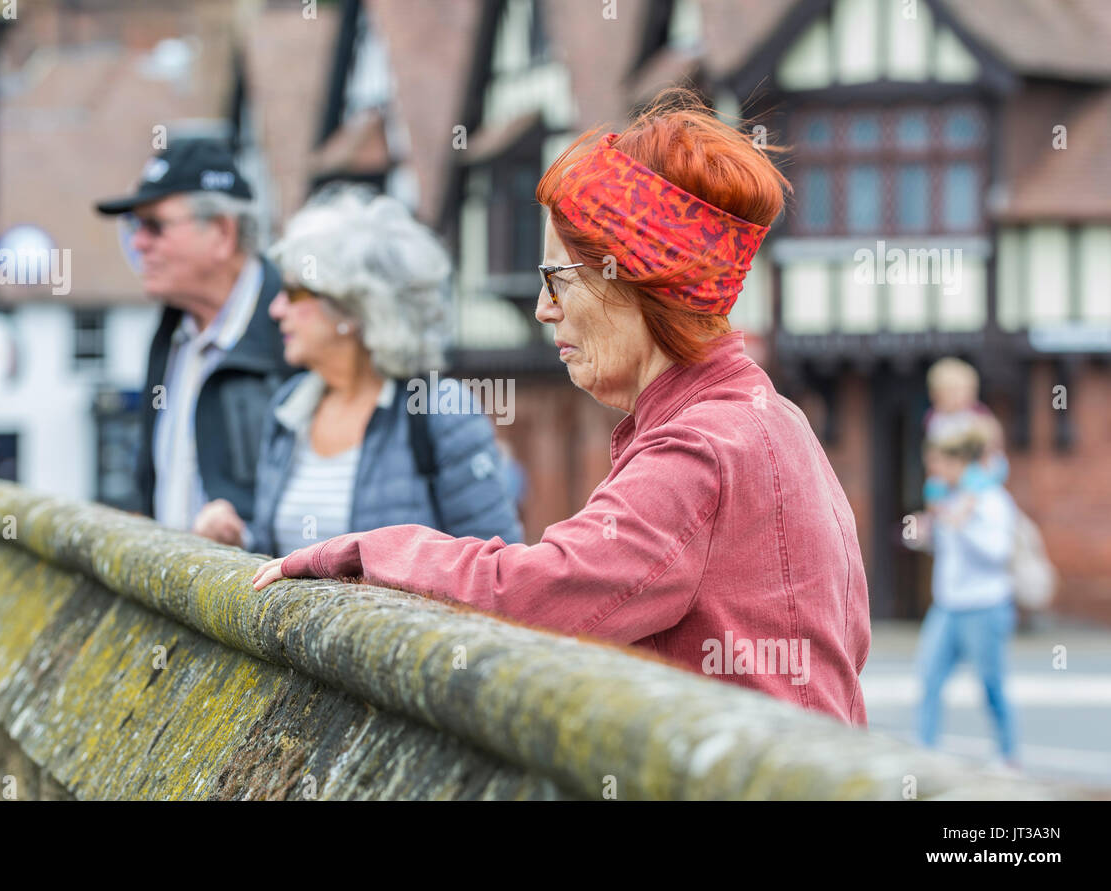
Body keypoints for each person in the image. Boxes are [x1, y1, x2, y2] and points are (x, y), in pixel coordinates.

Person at [255, 91, 871, 726]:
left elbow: (533, 597)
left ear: (633, 279)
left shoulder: (700, 448)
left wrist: (367, 553)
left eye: (558, 278)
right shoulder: (768, 417)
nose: (544, 308)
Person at [218, 185, 522, 556]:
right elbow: (276, 553)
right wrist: (238, 541)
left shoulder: (439, 408)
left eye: (295, 293)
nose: (276, 309)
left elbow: (497, 561)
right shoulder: (289, 409)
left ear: (351, 308)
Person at [94, 139, 295, 544]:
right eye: (135, 226)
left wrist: (247, 540)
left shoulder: (296, 334)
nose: (137, 243)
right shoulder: (169, 334)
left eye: (154, 225)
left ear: (222, 232)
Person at [912, 429, 1019, 767]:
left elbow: (999, 552)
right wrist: (924, 532)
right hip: (947, 605)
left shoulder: (991, 500)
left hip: (985, 605)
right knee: (928, 678)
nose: (934, 472)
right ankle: (924, 752)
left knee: (991, 685)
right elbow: (944, 550)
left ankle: (1007, 756)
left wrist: (965, 525)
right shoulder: (948, 499)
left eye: (939, 463)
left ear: (958, 462)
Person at [923, 357, 1007, 507]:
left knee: (972, 480)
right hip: (948, 476)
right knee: (934, 487)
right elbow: (932, 457)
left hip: (978, 471)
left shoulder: (977, 417)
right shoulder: (935, 420)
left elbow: (989, 452)